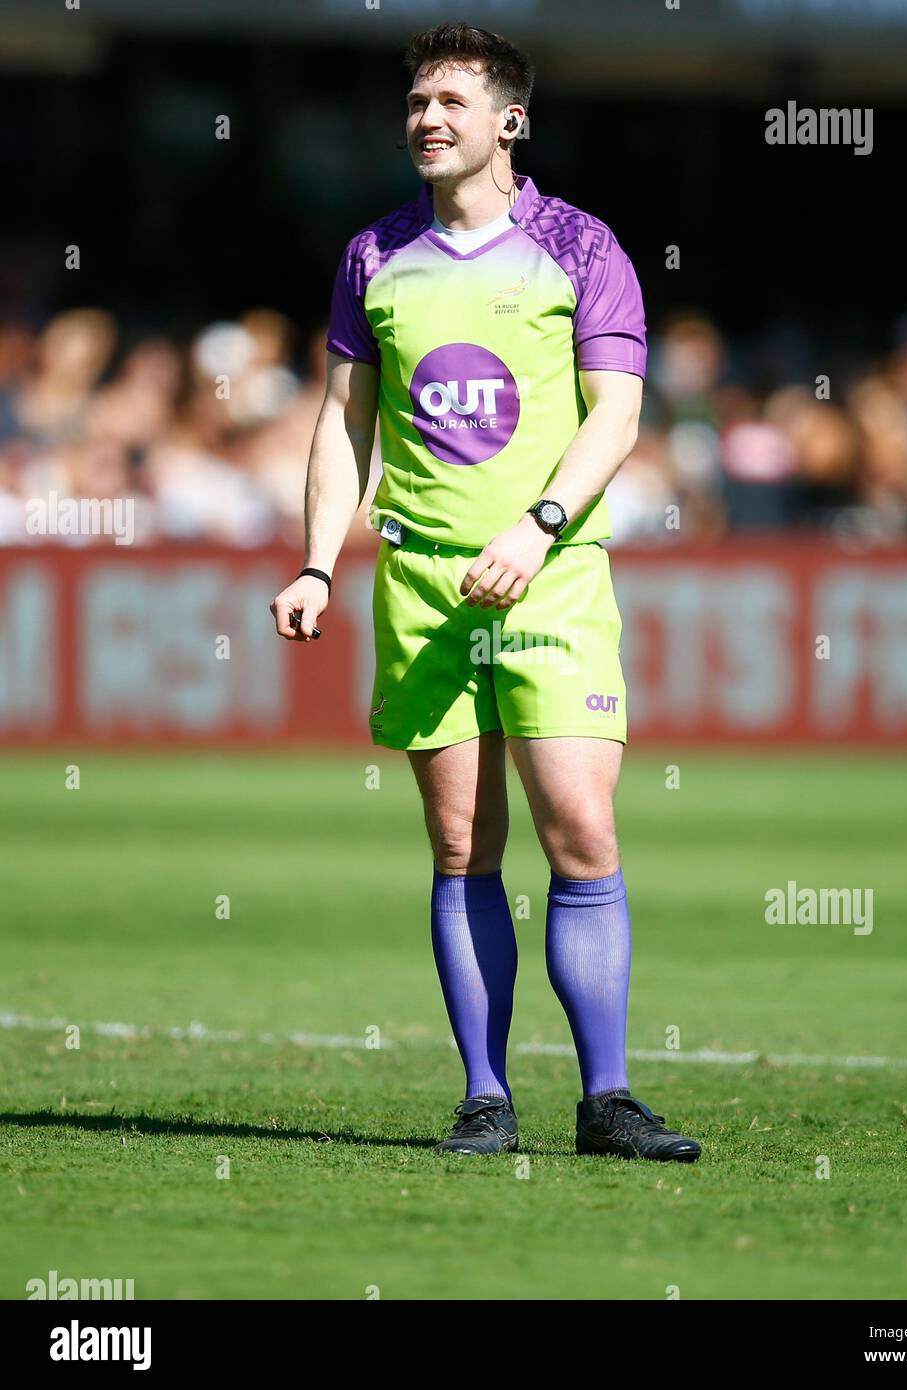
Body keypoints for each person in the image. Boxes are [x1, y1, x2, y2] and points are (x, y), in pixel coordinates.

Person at [270, 22, 699, 1163]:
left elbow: (615, 411)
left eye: (450, 102)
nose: (425, 118)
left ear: (508, 120)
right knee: (462, 843)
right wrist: (317, 559)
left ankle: (606, 1097)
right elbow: (341, 423)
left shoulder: (580, 245)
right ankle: (483, 1097)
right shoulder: (373, 255)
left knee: (581, 827)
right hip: (420, 585)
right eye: (415, 102)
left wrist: (541, 521)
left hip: (551, 582)